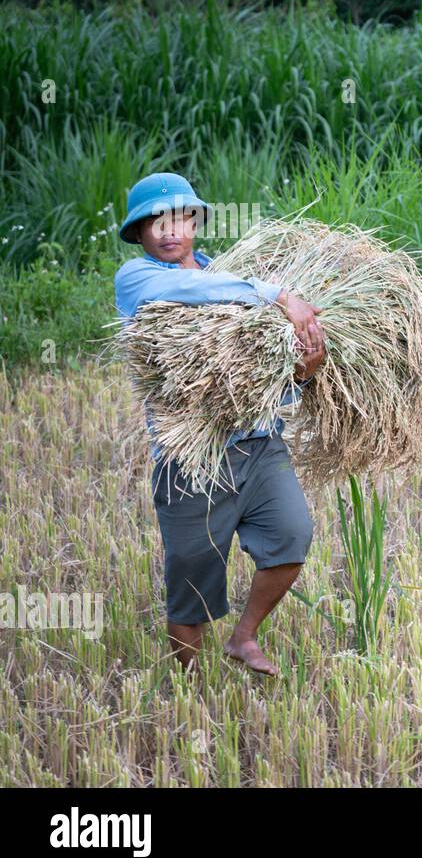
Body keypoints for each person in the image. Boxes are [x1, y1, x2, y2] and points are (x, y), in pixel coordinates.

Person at [114, 172, 325, 675]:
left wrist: (304, 371)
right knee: (191, 581)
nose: (167, 232)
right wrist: (277, 295)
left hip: (259, 443)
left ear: (193, 222)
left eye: (177, 219)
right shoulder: (140, 280)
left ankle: (243, 637)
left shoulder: (229, 275)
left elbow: (262, 374)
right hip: (191, 459)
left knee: (292, 537)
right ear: (139, 234)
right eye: (153, 223)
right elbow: (191, 289)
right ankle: (187, 689)